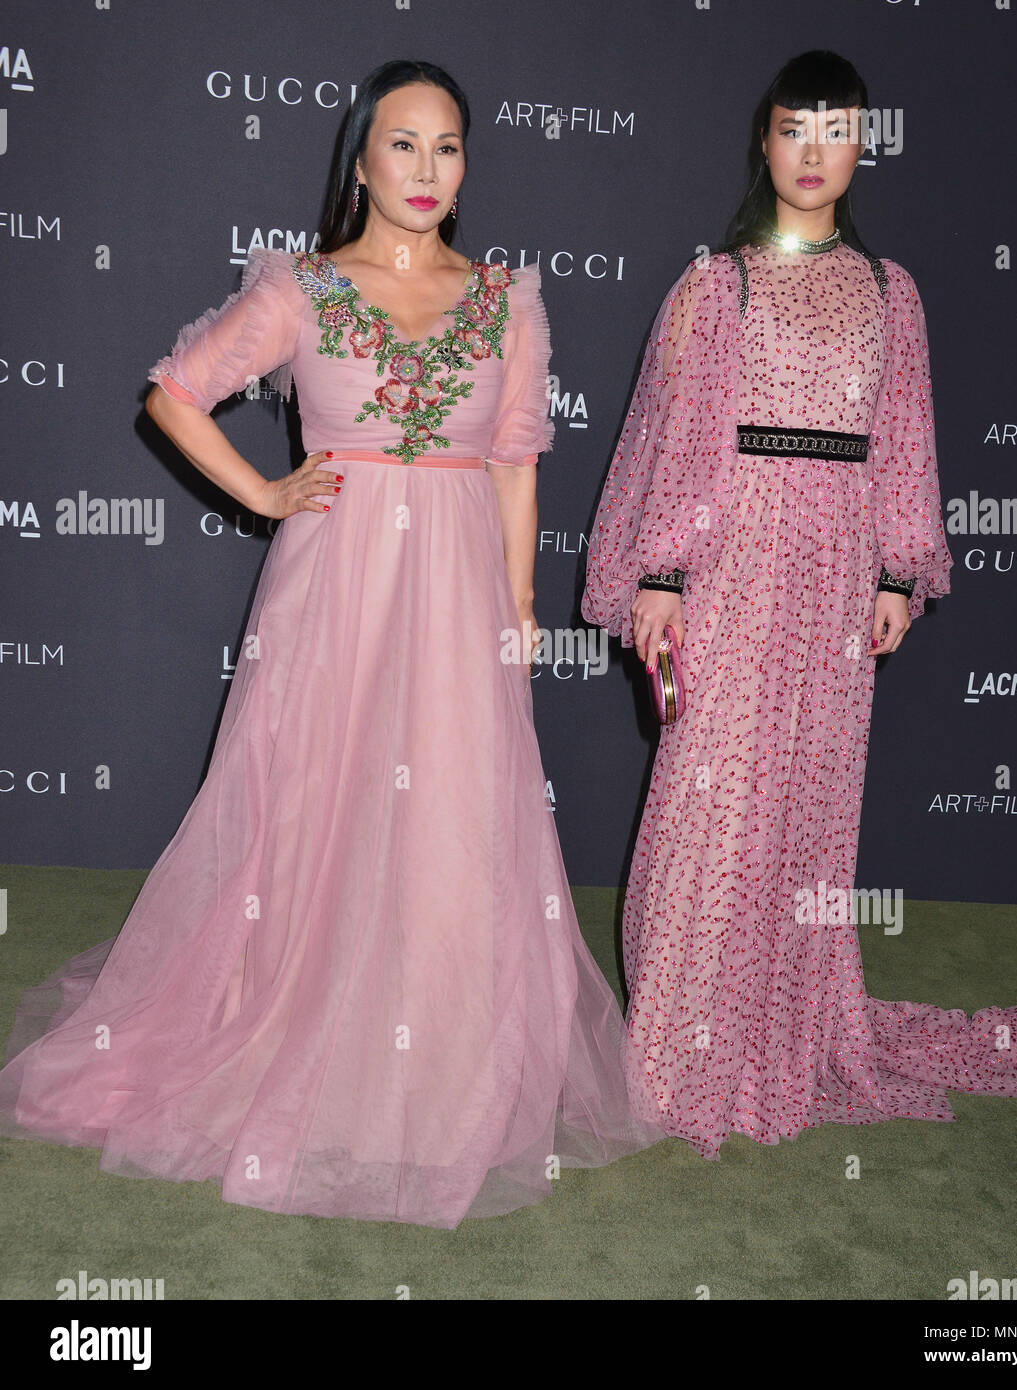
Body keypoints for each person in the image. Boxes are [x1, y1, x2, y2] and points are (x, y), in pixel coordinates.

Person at [0, 59, 664, 1228]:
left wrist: (515, 609)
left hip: (459, 590)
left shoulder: (506, 297)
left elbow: (515, 463)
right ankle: (294, 1029)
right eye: (401, 145)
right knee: (312, 799)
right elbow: (173, 392)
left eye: (447, 146)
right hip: (333, 586)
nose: (425, 169)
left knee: (456, 809)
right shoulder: (302, 290)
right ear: (358, 161)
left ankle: (441, 1051)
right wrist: (261, 494)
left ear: (467, 165)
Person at [581, 50, 1017, 1156]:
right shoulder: (714, 285)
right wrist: (661, 575)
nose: (812, 151)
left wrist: (900, 572)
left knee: (805, 815)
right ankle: (675, 1049)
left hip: (832, 573)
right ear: (761, 144)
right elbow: (674, 439)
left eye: (834, 130)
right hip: (731, 560)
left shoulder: (888, 291)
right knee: (704, 801)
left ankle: (781, 1033)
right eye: (791, 129)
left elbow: (904, 441)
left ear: (861, 145)